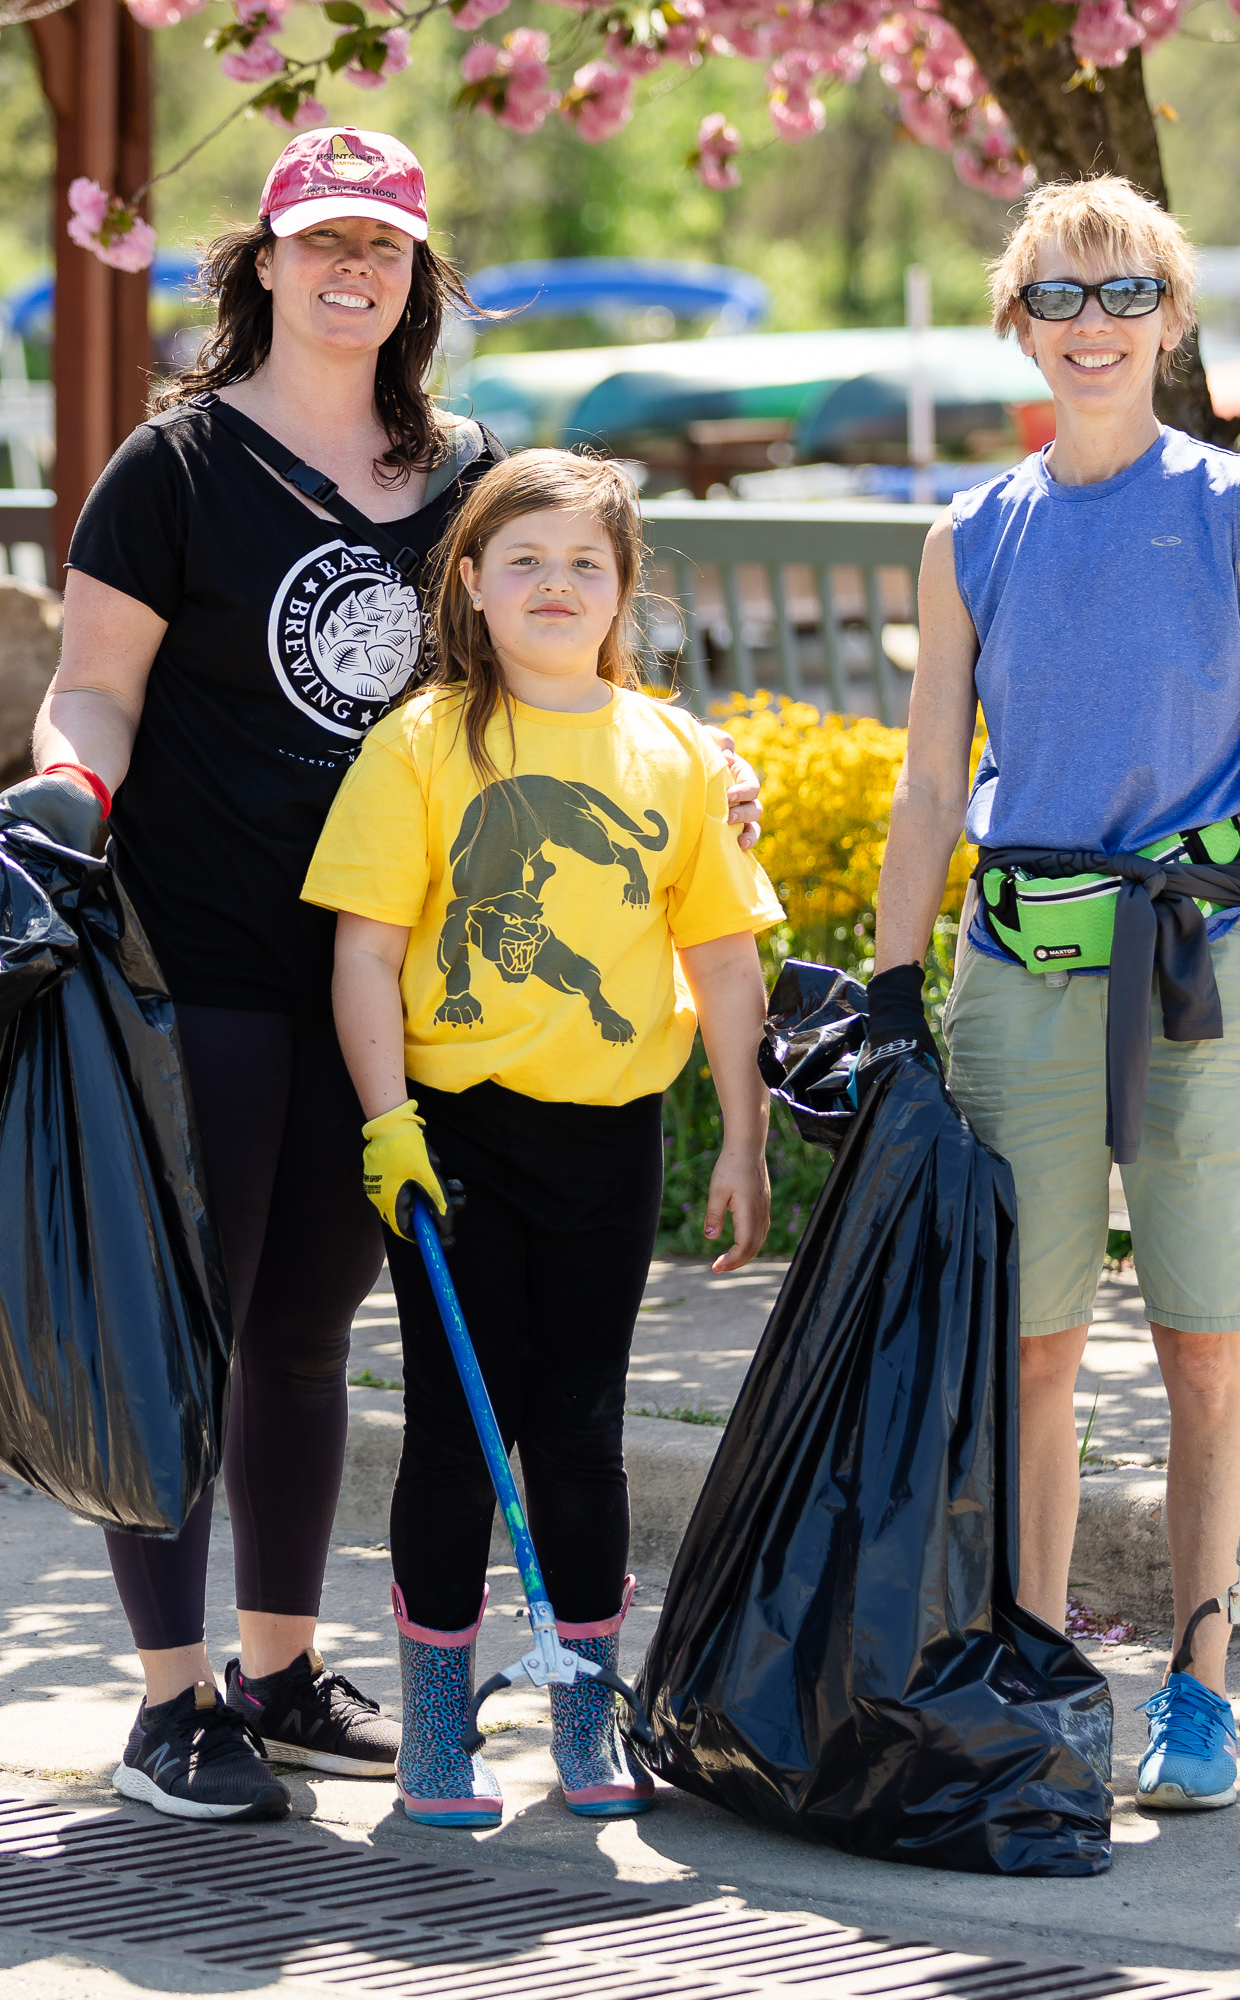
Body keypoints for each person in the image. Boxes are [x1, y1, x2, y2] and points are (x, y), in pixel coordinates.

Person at [0, 125, 765, 1824]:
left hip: (403, 983)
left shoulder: (464, 471)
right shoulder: (176, 467)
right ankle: (170, 1703)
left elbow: (565, 675)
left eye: (388, 246)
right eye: (322, 239)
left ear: (420, 280)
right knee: (187, 1331)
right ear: (262, 263)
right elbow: (95, 683)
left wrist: (696, 781)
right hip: (206, 955)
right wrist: (69, 784)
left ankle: (278, 1671)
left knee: (302, 1332)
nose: (354, 268)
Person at [864, 177, 1240, 1815]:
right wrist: (892, 981)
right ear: (1015, 323)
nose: (1092, 323)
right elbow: (932, 781)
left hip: (1199, 966)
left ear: (1169, 318)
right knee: (1030, 1351)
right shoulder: (970, 535)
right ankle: (1032, 1667)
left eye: (1124, 293)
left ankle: (1199, 1682)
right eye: (1059, 295)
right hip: (1021, 963)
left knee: (1201, 1342)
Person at [305, 447, 782, 1828]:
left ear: (626, 585)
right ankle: (438, 1728)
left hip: (610, 1141)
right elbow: (363, 951)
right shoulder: (423, 744)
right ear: (469, 580)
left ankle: (588, 1705)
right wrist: (386, 1121)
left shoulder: (679, 753)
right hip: (450, 1139)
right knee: (458, 1432)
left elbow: (727, 961)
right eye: (523, 560)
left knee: (580, 1433)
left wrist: (741, 1136)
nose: (555, 585)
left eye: (586, 562)